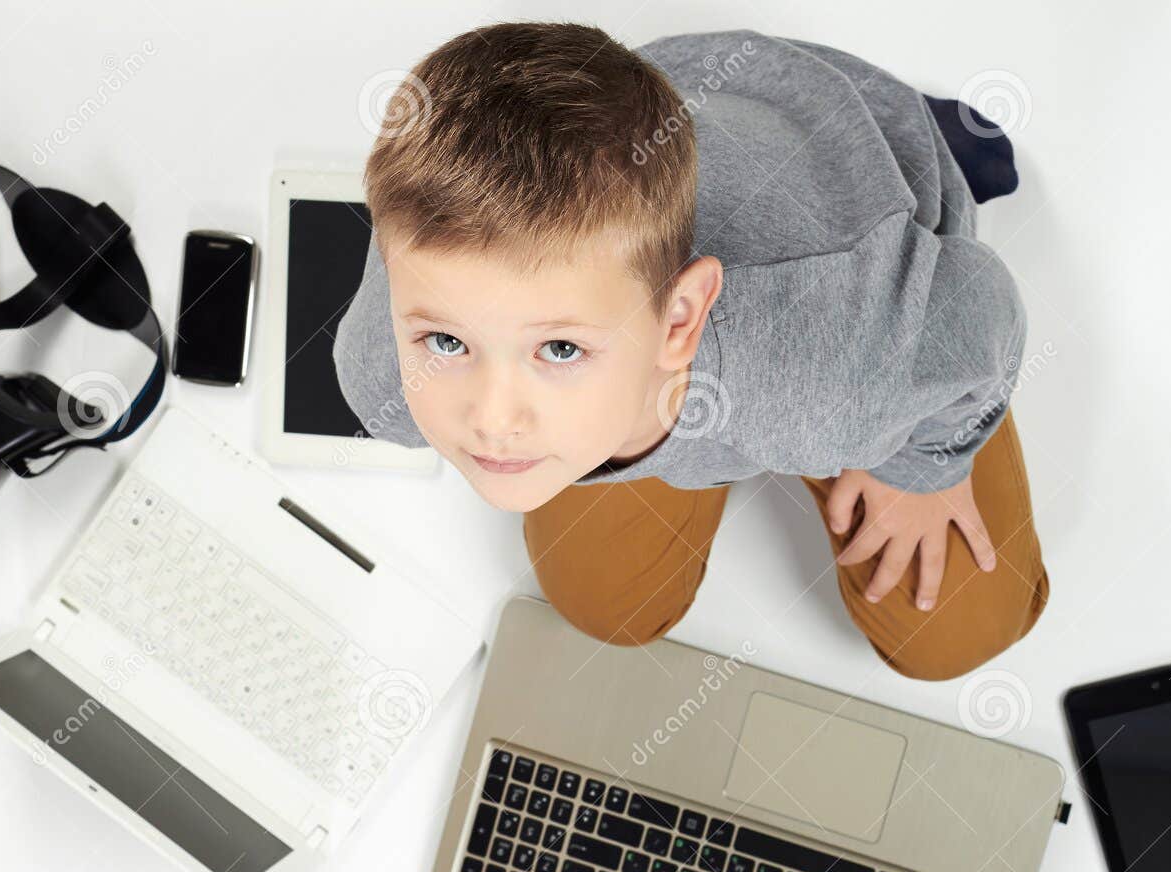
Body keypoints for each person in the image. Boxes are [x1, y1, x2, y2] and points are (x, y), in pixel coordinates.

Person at [333, 22, 1048, 681]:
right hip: (644, 151)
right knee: (602, 605)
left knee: (959, 631)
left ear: (680, 321)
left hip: (841, 161)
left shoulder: (831, 370)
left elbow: (981, 306)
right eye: (450, 340)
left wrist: (922, 461)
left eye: (557, 348)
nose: (492, 419)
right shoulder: (384, 371)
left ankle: (929, 137)